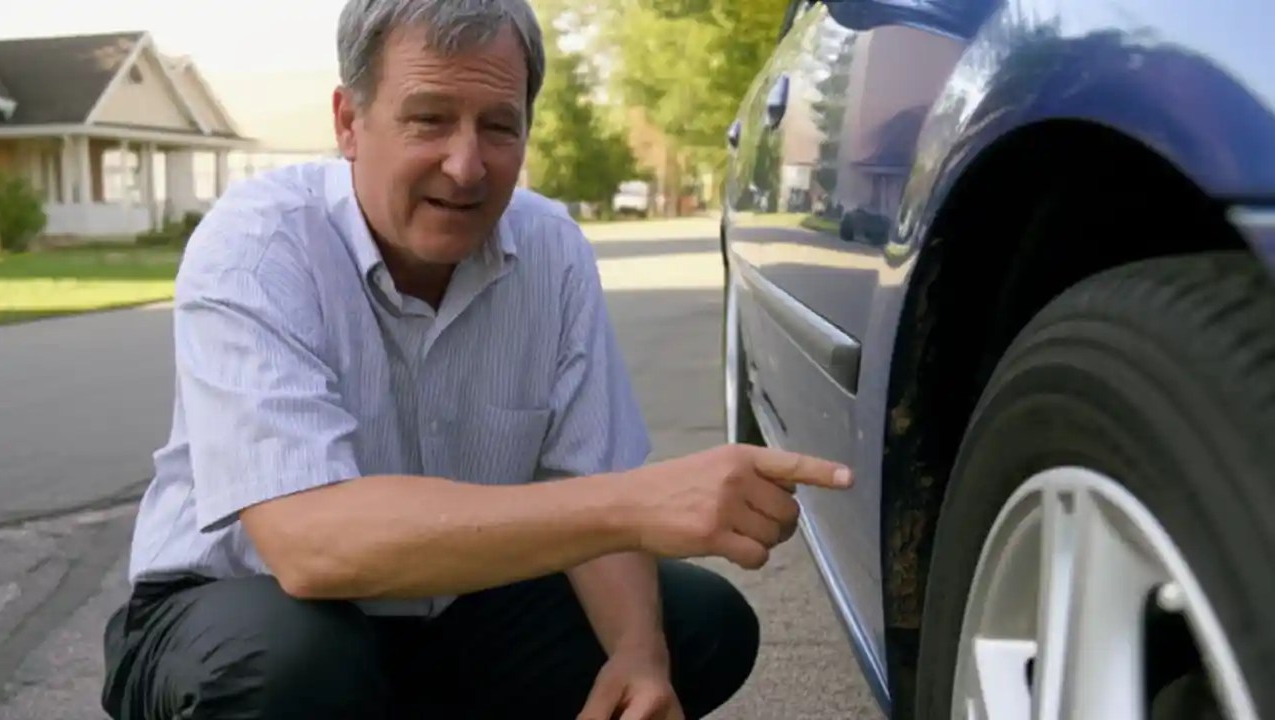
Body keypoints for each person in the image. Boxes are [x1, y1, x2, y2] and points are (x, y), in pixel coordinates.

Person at [99, 0, 854, 718]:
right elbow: (310, 546)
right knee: (291, 667)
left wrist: (638, 655)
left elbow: (580, 477)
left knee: (701, 624)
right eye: (429, 119)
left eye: (500, 126)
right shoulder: (258, 247)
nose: (467, 166)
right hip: (237, 610)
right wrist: (639, 503)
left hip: (447, 613)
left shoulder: (551, 251)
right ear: (348, 122)